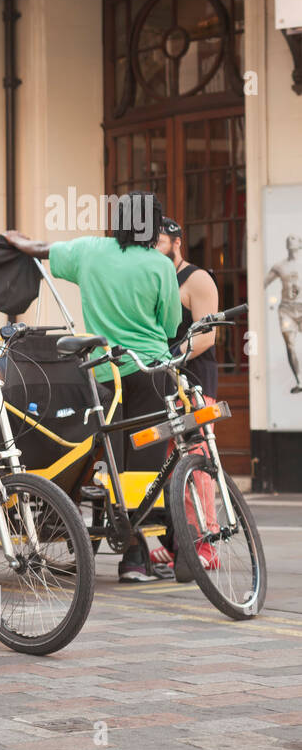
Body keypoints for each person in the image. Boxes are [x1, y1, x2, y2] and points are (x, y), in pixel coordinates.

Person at [6, 191, 182, 582]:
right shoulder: (160, 264)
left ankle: (131, 550)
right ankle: (137, 561)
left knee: (116, 466)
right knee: (145, 469)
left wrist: (13, 239)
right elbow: (170, 326)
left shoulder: (89, 251)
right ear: (154, 226)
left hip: (103, 373)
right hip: (151, 370)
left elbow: (40, 249)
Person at [156, 217, 221, 580]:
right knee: (167, 466)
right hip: (161, 383)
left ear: (177, 242)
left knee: (196, 462)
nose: (154, 247)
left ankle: (206, 545)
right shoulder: (157, 277)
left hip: (193, 381)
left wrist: (170, 356)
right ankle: (177, 542)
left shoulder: (196, 279)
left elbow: (206, 336)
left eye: (160, 241)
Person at [264, 234, 302, 394]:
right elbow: (263, 283)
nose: (291, 241)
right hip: (287, 309)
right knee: (291, 345)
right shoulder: (280, 266)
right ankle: (299, 381)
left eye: (294, 239)